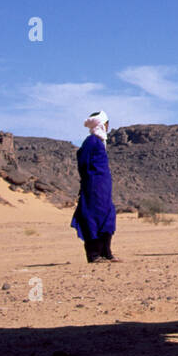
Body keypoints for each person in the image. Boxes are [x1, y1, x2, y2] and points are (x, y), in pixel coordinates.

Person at [72, 111, 117, 263]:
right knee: (93, 217)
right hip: (93, 186)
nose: (108, 125)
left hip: (103, 187)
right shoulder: (91, 141)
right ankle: (94, 255)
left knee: (108, 216)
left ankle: (106, 253)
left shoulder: (100, 141)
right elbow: (83, 162)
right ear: (101, 124)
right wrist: (88, 180)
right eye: (106, 122)